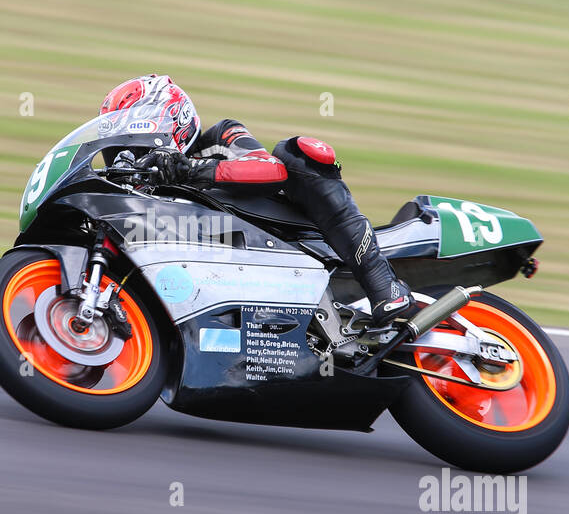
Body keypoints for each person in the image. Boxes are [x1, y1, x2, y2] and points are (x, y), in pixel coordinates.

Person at [100, 74, 416, 329]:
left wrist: (194, 171)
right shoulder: (150, 192)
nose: (131, 155)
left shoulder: (219, 138)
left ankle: (383, 285)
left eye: (135, 143)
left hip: (290, 232)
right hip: (222, 267)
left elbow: (270, 170)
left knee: (298, 153)